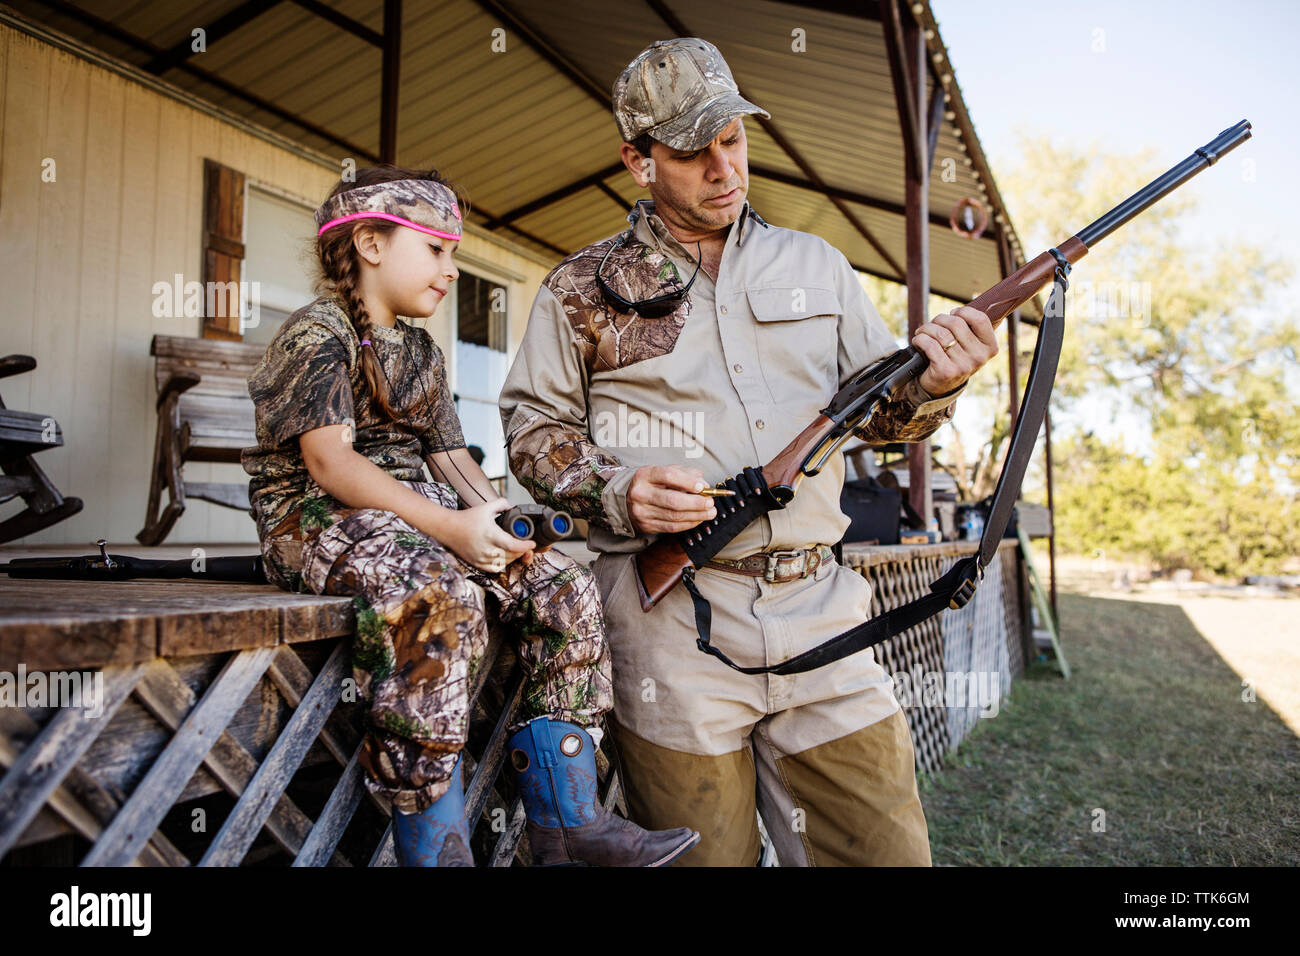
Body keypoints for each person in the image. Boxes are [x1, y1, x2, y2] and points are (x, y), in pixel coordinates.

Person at [499, 38, 998, 866]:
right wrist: (620, 491)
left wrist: (939, 383)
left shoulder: (818, 266)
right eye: (693, 151)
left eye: (732, 139)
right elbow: (533, 434)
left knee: (887, 852)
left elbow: (884, 420)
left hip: (822, 614)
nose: (723, 167)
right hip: (669, 631)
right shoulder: (578, 289)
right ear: (638, 160)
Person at [240, 164, 699, 867]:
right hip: (314, 521)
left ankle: (565, 820)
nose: (451, 269)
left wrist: (499, 522)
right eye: (436, 249)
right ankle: (436, 843)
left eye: (454, 252)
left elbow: (452, 461)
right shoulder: (317, 334)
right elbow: (332, 464)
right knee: (438, 594)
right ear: (368, 242)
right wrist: (451, 528)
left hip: (409, 520)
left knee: (561, 585)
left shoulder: (420, 352)